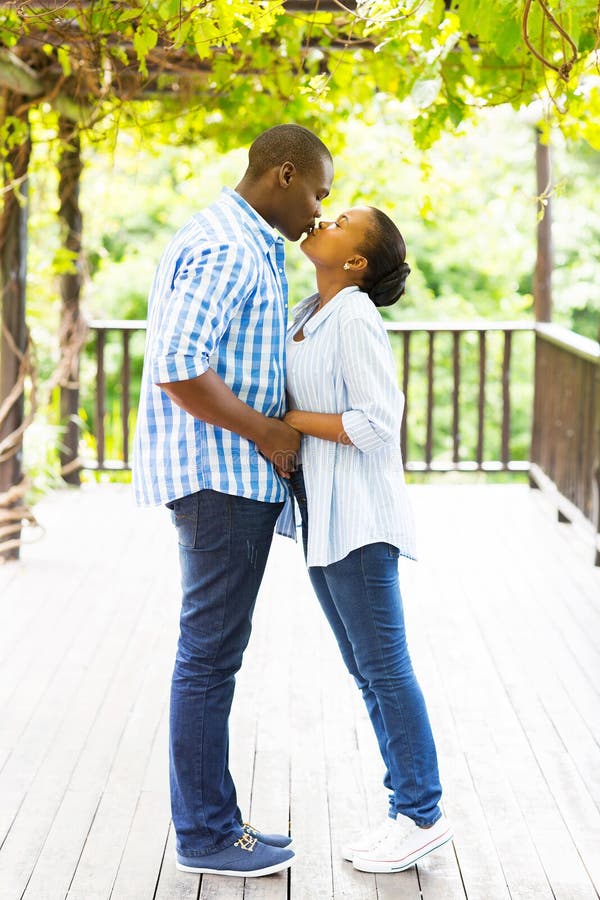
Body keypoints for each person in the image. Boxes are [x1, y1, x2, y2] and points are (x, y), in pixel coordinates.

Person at [132, 125, 334, 878]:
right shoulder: (228, 245)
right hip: (221, 479)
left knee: (211, 657)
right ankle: (207, 834)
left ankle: (217, 823)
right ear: (284, 173)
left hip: (225, 478)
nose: (320, 210)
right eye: (318, 191)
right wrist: (269, 435)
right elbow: (179, 367)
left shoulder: (241, 237)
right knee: (209, 660)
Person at [284, 206, 453, 874]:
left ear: (355, 262)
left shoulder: (353, 315)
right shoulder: (308, 310)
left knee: (384, 671)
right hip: (323, 520)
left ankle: (421, 813)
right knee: (369, 673)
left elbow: (378, 421)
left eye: (342, 221)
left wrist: (288, 421)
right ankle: (407, 811)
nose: (323, 218)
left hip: (357, 521)